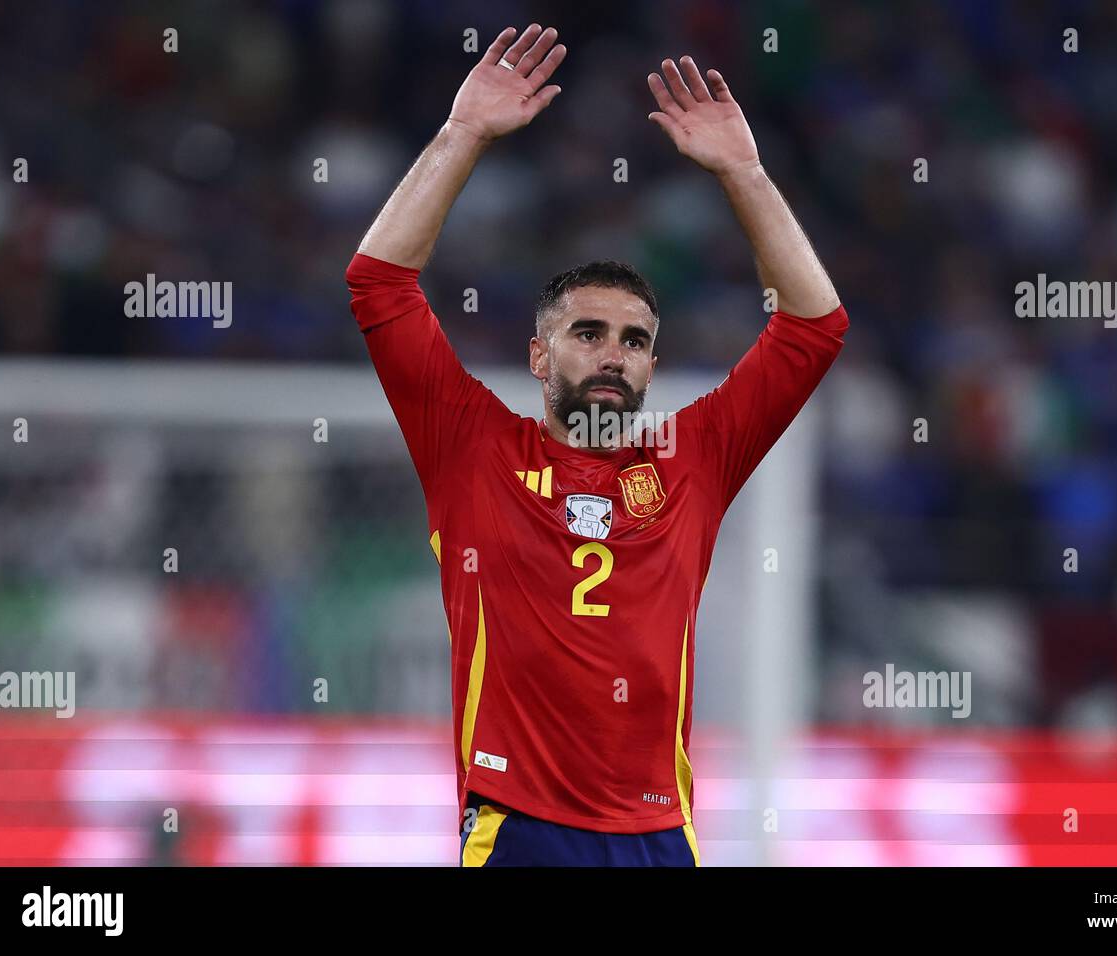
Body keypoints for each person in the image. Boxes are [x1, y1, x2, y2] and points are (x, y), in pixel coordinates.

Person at [346, 23, 849, 866]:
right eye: (588, 332)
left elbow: (814, 325)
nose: (613, 353)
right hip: (518, 827)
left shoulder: (695, 458)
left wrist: (746, 173)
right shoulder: (469, 445)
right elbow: (379, 281)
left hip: (657, 835)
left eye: (633, 338)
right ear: (540, 355)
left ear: (653, 363)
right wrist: (462, 134)